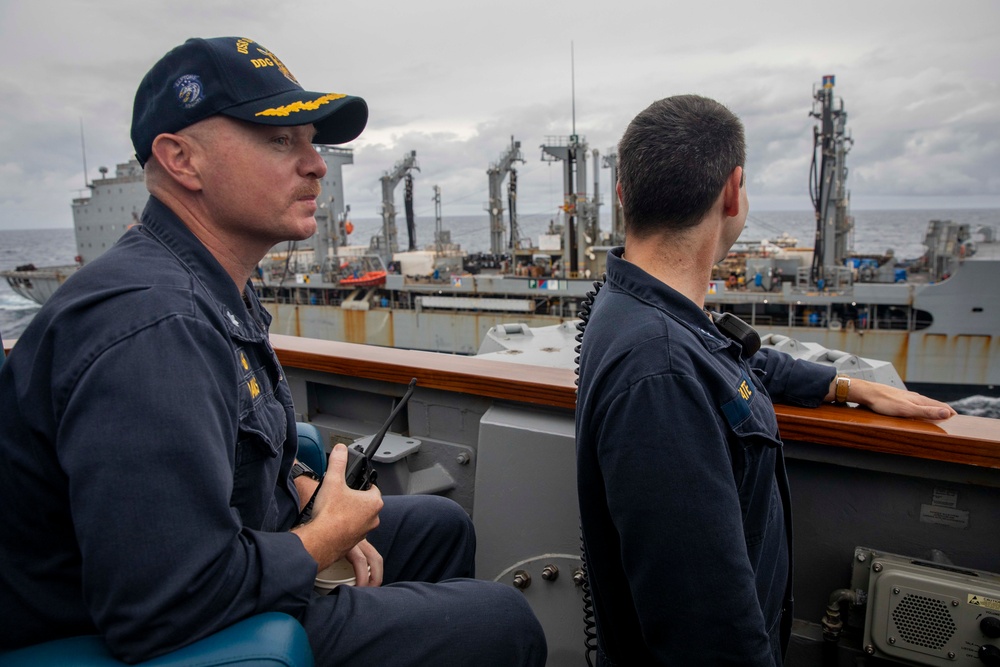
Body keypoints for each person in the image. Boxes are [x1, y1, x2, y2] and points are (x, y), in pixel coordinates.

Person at [0, 37, 545, 666]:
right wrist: (323, 537)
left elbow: (224, 453)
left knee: (438, 527)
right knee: (502, 622)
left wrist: (301, 486)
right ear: (181, 159)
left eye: (311, 140)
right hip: (130, 627)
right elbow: (163, 606)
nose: (315, 164)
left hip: (219, 550)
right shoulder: (156, 325)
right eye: (280, 140)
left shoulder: (212, 282)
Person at [574, 94, 955, 666]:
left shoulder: (641, 309)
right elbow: (709, 638)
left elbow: (733, 360)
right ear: (733, 191)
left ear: (624, 194)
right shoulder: (663, 372)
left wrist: (843, 386)